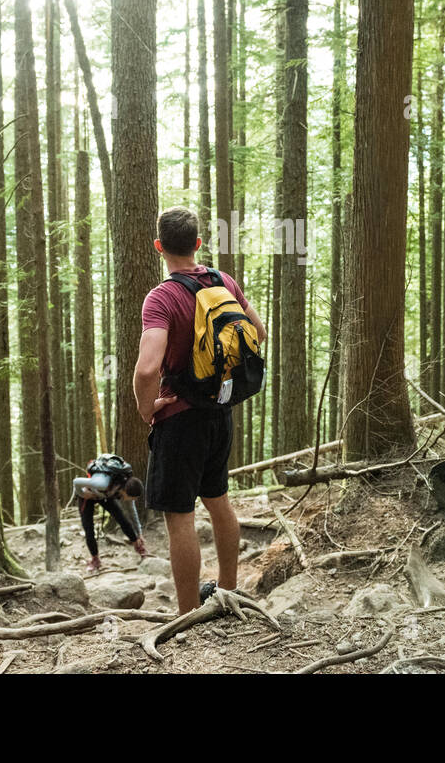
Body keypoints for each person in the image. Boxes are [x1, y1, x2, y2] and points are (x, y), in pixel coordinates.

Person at [133, 207, 267, 613]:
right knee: (219, 499)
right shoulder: (223, 281)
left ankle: (188, 614)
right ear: (197, 243)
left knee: (180, 515)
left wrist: (146, 408)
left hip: (179, 420)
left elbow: (147, 368)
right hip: (219, 412)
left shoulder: (162, 297)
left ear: (160, 247)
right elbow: (259, 333)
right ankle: (229, 591)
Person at [73, 454, 148, 574]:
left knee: (121, 518)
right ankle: (95, 559)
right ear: (125, 492)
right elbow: (76, 482)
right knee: (88, 528)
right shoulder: (102, 483)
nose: (132, 501)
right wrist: (83, 494)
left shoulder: (125, 486)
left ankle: (139, 547)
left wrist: (139, 533)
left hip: (104, 495)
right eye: (132, 498)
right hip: (88, 493)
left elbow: (131, 513)